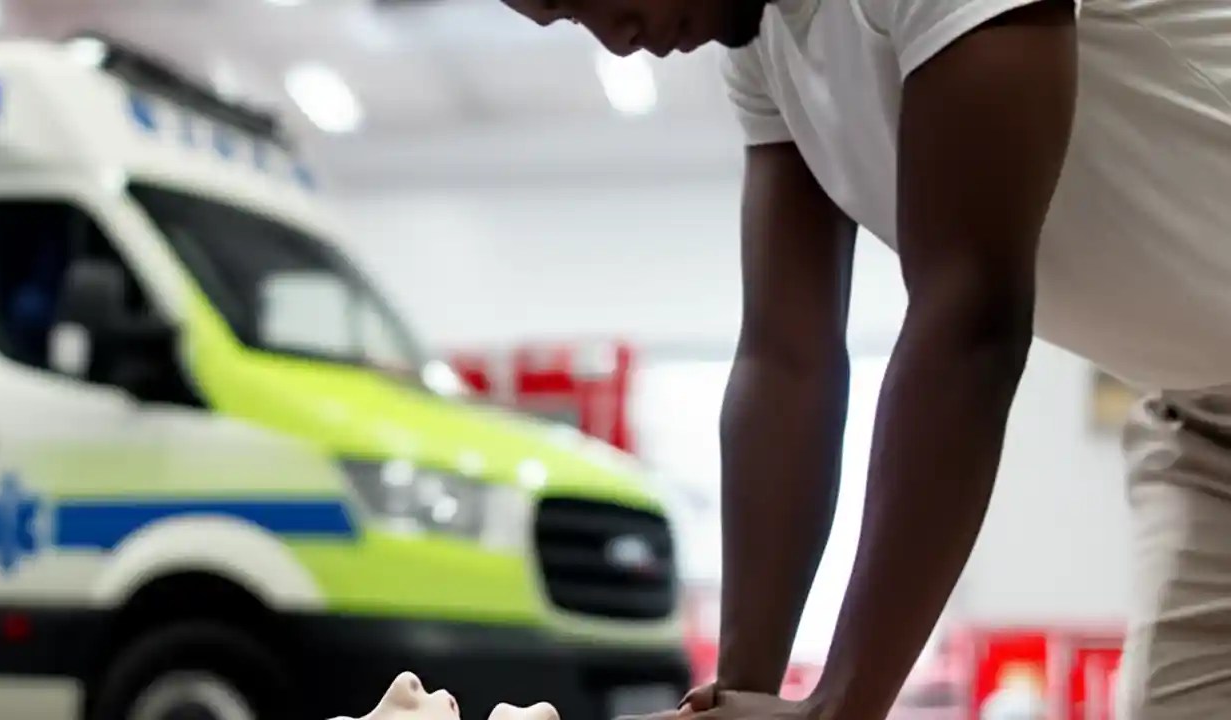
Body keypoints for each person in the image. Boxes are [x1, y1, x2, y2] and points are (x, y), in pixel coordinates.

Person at [499, 0, 1231, 719]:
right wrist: (733, 695)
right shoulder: (761, 47)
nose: (615, 40)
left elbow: (971, 319)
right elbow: (788, 359)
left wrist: (842, 708)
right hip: (1201, 417)